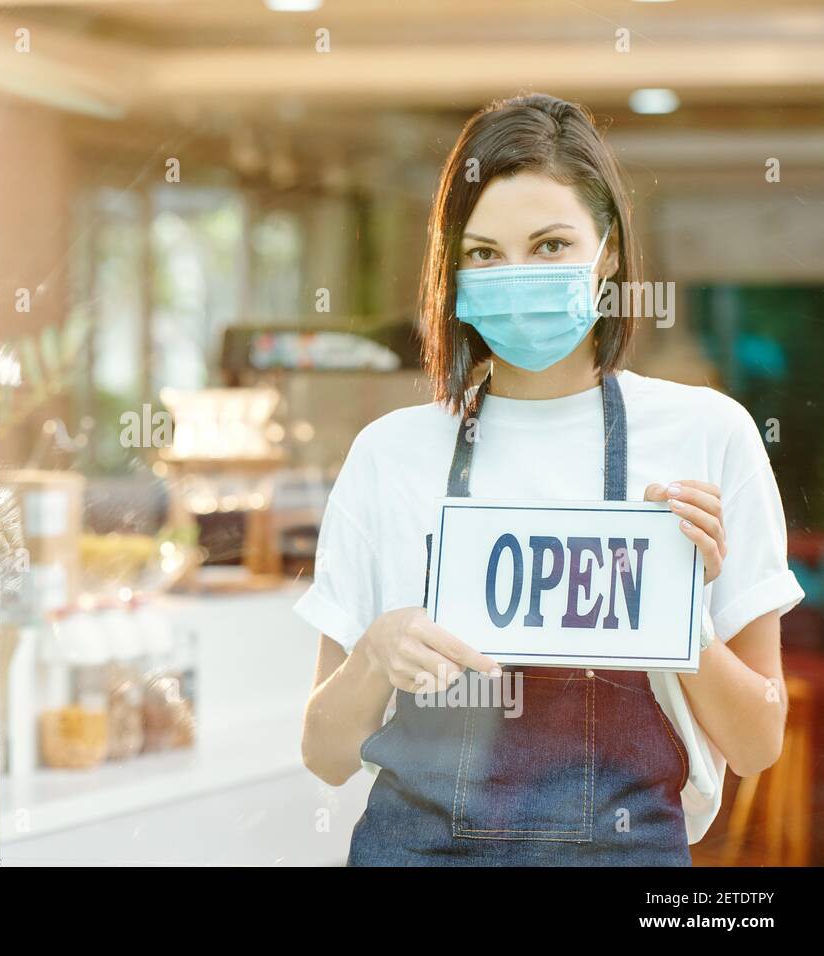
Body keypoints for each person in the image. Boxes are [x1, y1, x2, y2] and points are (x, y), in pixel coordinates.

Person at [295, 93, 804, 866]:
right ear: (452, 269)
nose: (516, 274)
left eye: (550, 244)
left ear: (608, 256)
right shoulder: (388, 454)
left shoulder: (708, 435)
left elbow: (759, 741)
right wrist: (375, 653)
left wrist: (668, 613)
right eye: (485, 253)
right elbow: (325, 754)